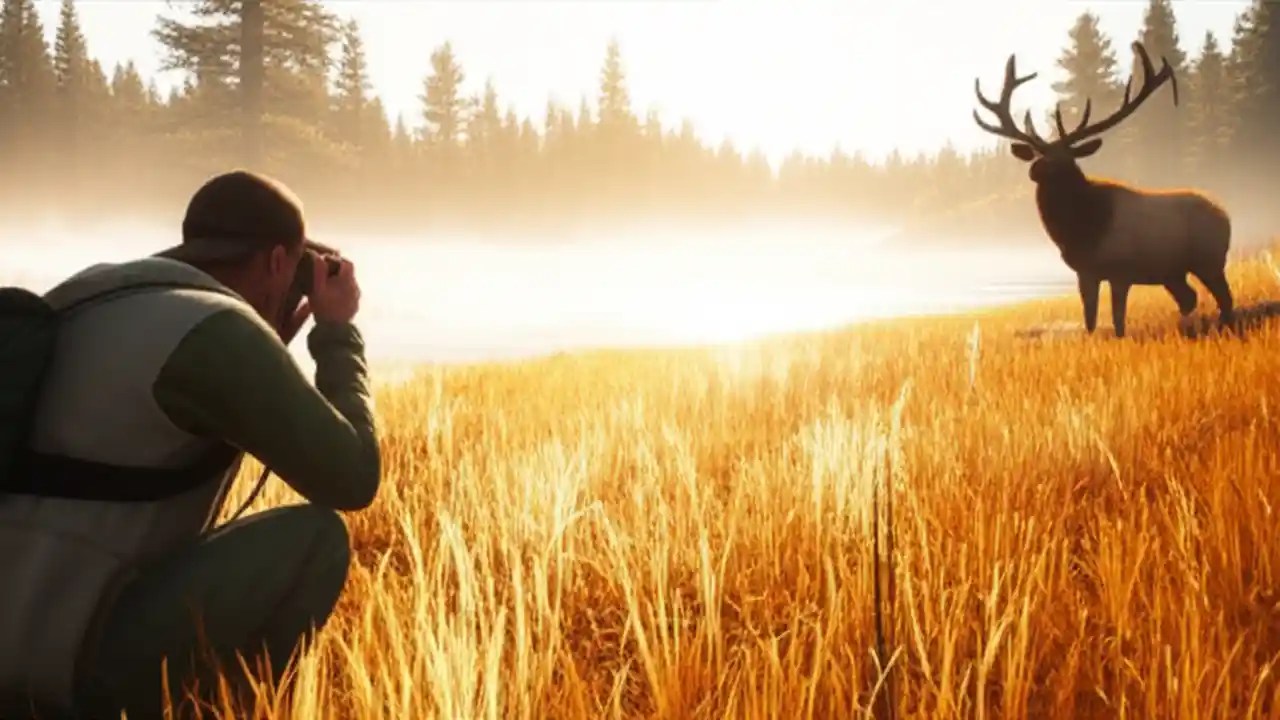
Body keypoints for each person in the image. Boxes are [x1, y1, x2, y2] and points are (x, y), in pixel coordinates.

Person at [0, 170, 382, 719]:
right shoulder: (216, 329)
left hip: (21, 622)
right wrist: (337, 330)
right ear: (279, 262)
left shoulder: (93, 294)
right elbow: (352, 477)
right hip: (65, 660)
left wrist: (268, 346)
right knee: (316, 539)